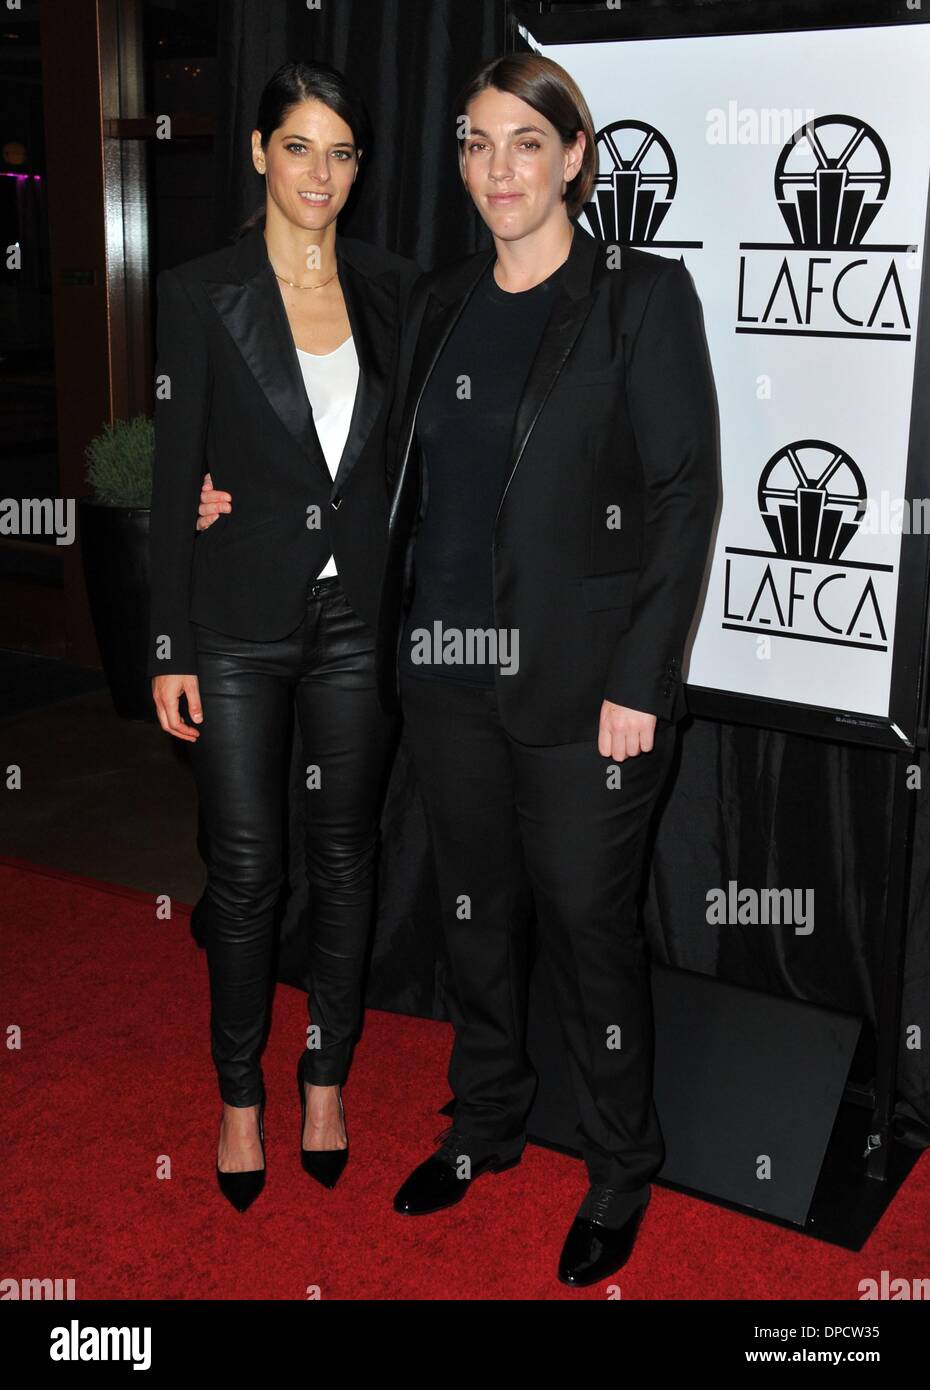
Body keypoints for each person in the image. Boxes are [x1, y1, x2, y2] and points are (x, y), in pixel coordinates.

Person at [374, 52, 719, 1286]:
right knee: (474, 918)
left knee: (588, 931)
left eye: (525, 141)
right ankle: (484, 1128)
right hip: (450, 672)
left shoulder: (640, 297)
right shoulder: (441, 302)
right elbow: (392, 480)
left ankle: (622, 1167)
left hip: (588, 693)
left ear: (577, 154)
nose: (496, 168)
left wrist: (643, 679)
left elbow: (685, 499)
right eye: (474, 142)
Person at [148, 60, 420, 1212]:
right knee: (251, 870)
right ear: (260, 153)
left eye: (343, 151)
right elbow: (172, 483)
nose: (321, 172)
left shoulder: (394, 290)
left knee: (348, 857)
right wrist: (166, 645)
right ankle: (239, 1096)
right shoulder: (201, 293)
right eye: (299, 146)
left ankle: (325, 1075)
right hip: (237, 626)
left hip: (357, 618)